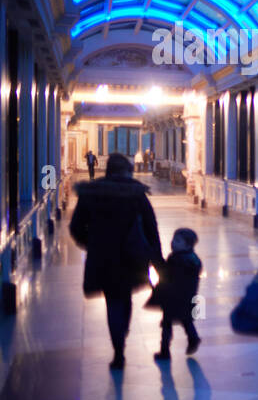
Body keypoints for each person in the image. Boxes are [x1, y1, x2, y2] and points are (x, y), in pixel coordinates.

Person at [69, 152, 164, 370]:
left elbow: (75, 227)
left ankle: (118, 350)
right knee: (126, 297)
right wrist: (157, 261)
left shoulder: (92, 193)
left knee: (112, 301)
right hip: (132, 256)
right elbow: (151, 229)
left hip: (103, 257)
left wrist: (91, 243)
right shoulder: (137, 194)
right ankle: (123, 334)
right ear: (127, 171)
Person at [149, 227, 202, 361]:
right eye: (173, 239)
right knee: (187, 320)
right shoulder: (194, 259)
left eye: (177, 241)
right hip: (189, 297)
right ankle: (193, 338)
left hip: (173, 298)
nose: (173, 243)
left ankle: (164, 351)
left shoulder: (176, 259)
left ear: (187, 244)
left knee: (167, 324)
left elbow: (167, 276)